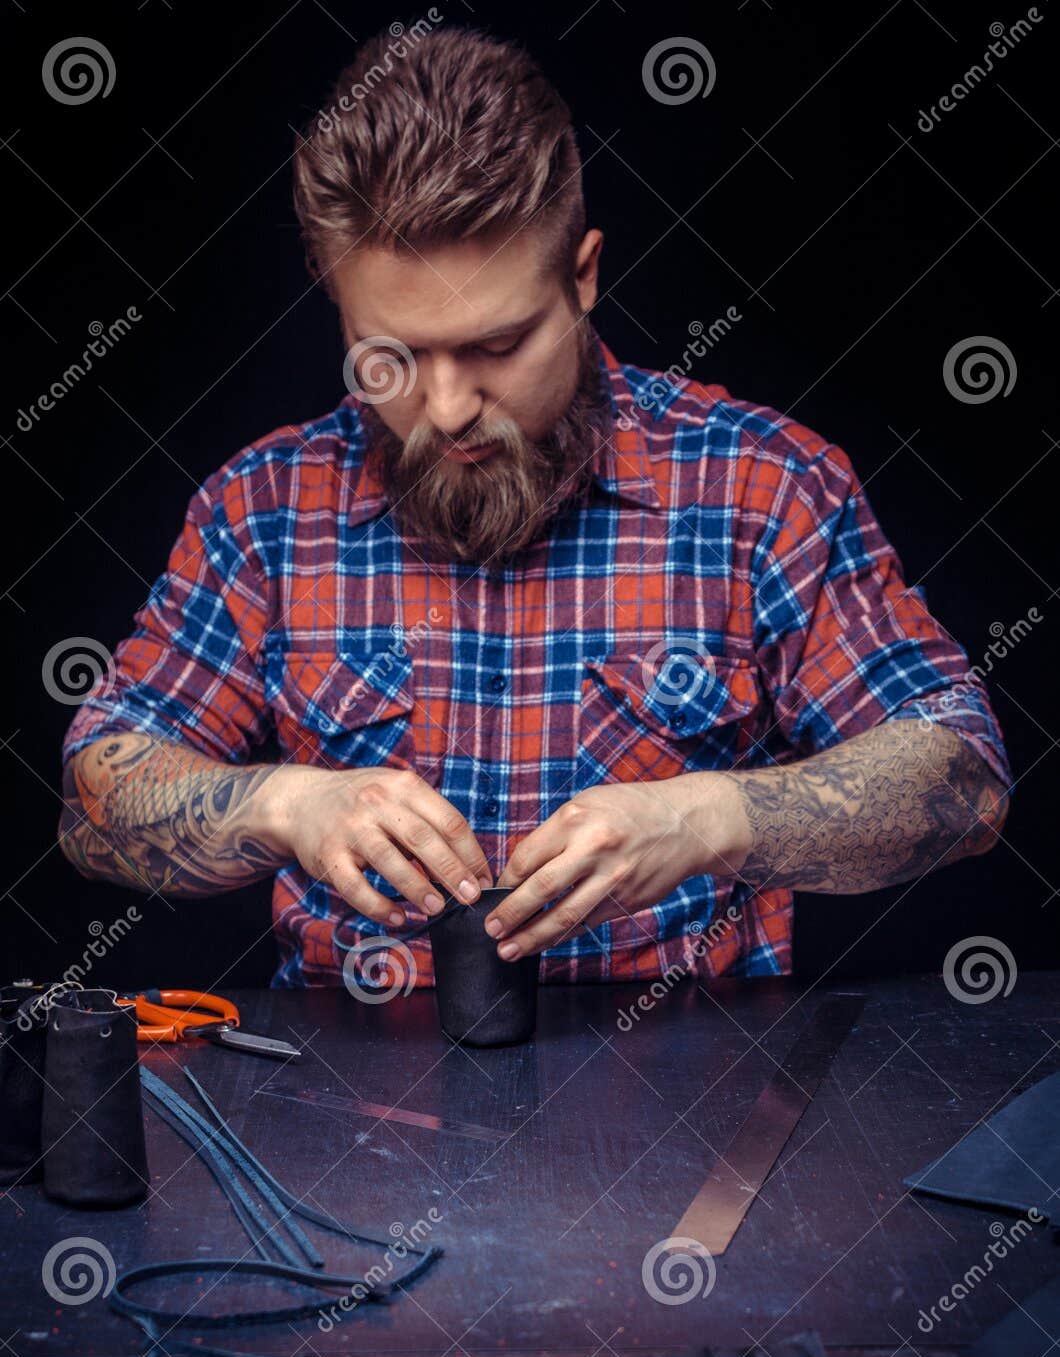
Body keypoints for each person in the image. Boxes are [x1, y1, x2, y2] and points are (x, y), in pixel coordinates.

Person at [59, 25, 1010, 990]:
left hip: (699, 1106)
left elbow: (962, 773)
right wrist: (283, 805)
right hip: (344, 1109)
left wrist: (715, 818)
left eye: (497, 345)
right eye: (388, 351)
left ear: (584, 277)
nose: (444, 408)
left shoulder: (763, 489)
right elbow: (94, 803)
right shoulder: (260, 510)